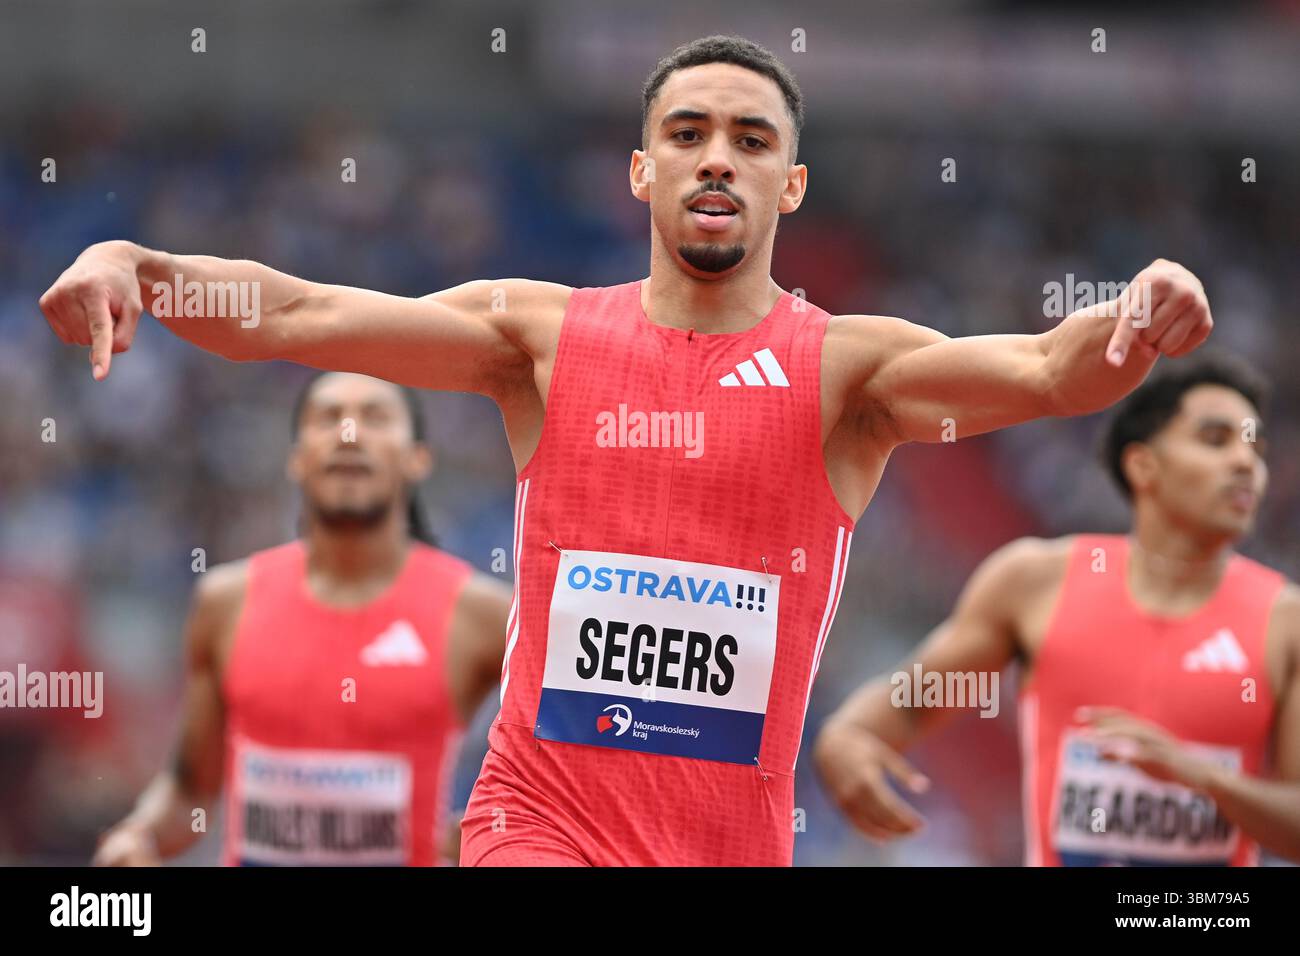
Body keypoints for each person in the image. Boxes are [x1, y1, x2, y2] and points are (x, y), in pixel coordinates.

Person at [42, 35, 1214, 866]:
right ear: (641, 171)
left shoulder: (851, 371)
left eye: (750, 139)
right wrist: (142, 269)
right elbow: (299, 312)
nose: (717, 156)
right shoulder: (539, 337)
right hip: (533, 821)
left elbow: (1054, 373)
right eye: (686, 133)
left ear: (789, 182)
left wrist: (1133, 319)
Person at [815, 352, 1300, 865]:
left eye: (1256, 448)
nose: (1247, 464)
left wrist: (1202, 778)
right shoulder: (1036, 582)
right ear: (1144, 465)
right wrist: (848, 738)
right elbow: (911, 704)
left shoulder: (1285, 621)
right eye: (1216, 440)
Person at [92, 371, 512, 866]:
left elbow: (557, 779)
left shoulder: (481, 615)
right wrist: (137, 837)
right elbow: (188, 793)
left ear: (418, 458)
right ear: (295, 460)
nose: (348, 434)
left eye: (375, 418)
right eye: (327, 418)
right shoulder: (226, 601)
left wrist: (492, 833)